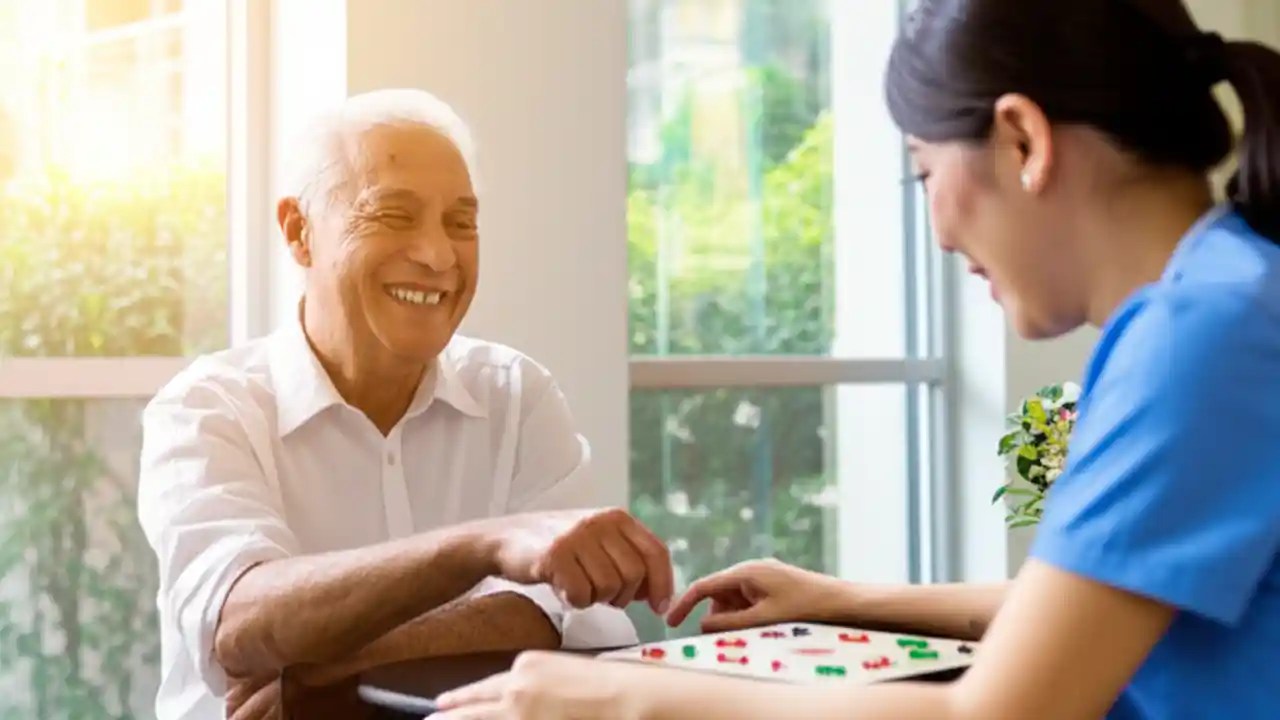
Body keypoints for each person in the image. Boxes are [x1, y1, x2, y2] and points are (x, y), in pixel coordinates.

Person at [435, 1, 1280, 718]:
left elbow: (993, 713)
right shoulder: (1231, 294)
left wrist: (623, 696)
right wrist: (845, 599)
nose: (940, 233)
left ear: (1022, 139)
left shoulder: (1199, 338)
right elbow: (1093, 607)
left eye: (923, 176)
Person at [136, 88, 674, 720]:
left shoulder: (516, 393)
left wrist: (332, 669)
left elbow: (571, 617)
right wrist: (486, 548)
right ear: (299, 231)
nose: (438, 255)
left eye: (461, 223)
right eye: (394, 215)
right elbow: (240, 623)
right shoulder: (207, 409)